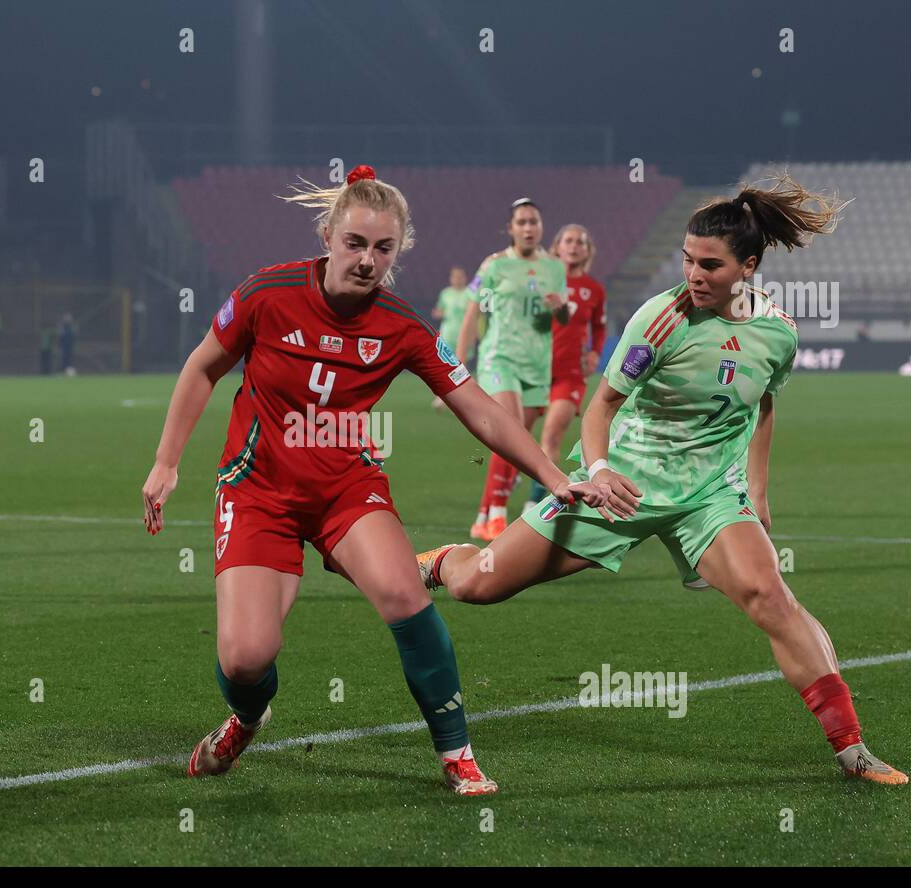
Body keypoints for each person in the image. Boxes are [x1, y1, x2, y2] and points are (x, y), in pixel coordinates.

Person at [418, 177, 908, 785]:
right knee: (480, 587)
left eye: (710, 264)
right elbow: (601, 409)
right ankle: (443, 562)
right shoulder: (659, 319)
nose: (693, 274)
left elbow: (763, 404)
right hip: (622, 486)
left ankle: (851, 749)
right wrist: (596, 472)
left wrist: (757, 489)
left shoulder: (778, 332)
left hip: (707, 495)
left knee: (771, 597)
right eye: (686, 259)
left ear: (748, 267)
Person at [141, 165, 608, 795]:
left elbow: (482, 411)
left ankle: (456, 753)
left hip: (345, 491)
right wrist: (167, 461)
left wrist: (553, 476)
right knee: (246, 657)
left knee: (405, 598)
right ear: (329, 234)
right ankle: (247, 719)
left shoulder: (402, 326)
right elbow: (203, 368)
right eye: (356, 243)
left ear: (398, 250)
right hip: (258, 492)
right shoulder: (267, 293)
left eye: (383, 249)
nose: (367, 260)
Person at [455, 200, 567, 541]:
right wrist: (456, 365)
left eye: (534, 221)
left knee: (512, 443)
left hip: (536, 364)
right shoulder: (495, 266)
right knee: (512, 425)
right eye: (522, 222)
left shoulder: (555, 268)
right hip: (499, 358)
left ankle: (484, 513)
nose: (529, 228)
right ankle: (498, 517)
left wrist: (560, 309)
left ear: (541, 227)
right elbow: (473, 314)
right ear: (511, 228)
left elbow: (561, 319)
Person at [527, 224, 607, 507]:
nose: (574, 246)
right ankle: (495, 500)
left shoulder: (593, 290)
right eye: (568, 241)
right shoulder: (539, 282)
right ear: (557, 246)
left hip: (570, 375)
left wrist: (595, 353)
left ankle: (535, 502)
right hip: (533, 371)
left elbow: (599, 328)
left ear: (587, 251)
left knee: (550, 435)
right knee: (516, 435)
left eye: (580, 242)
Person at [429, 267, 470, 410]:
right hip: (447, 334)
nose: (458, 279)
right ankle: (443, 397)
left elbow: (475, 315)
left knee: (460, 367)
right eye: (455, 276)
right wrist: (438, 313)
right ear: (451, 278)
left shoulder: (469, 294)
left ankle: (459, 398)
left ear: (465, 277)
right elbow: (439, 310)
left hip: (464, 336)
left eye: (460, 276)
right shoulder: (446, 293)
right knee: (446, 367)